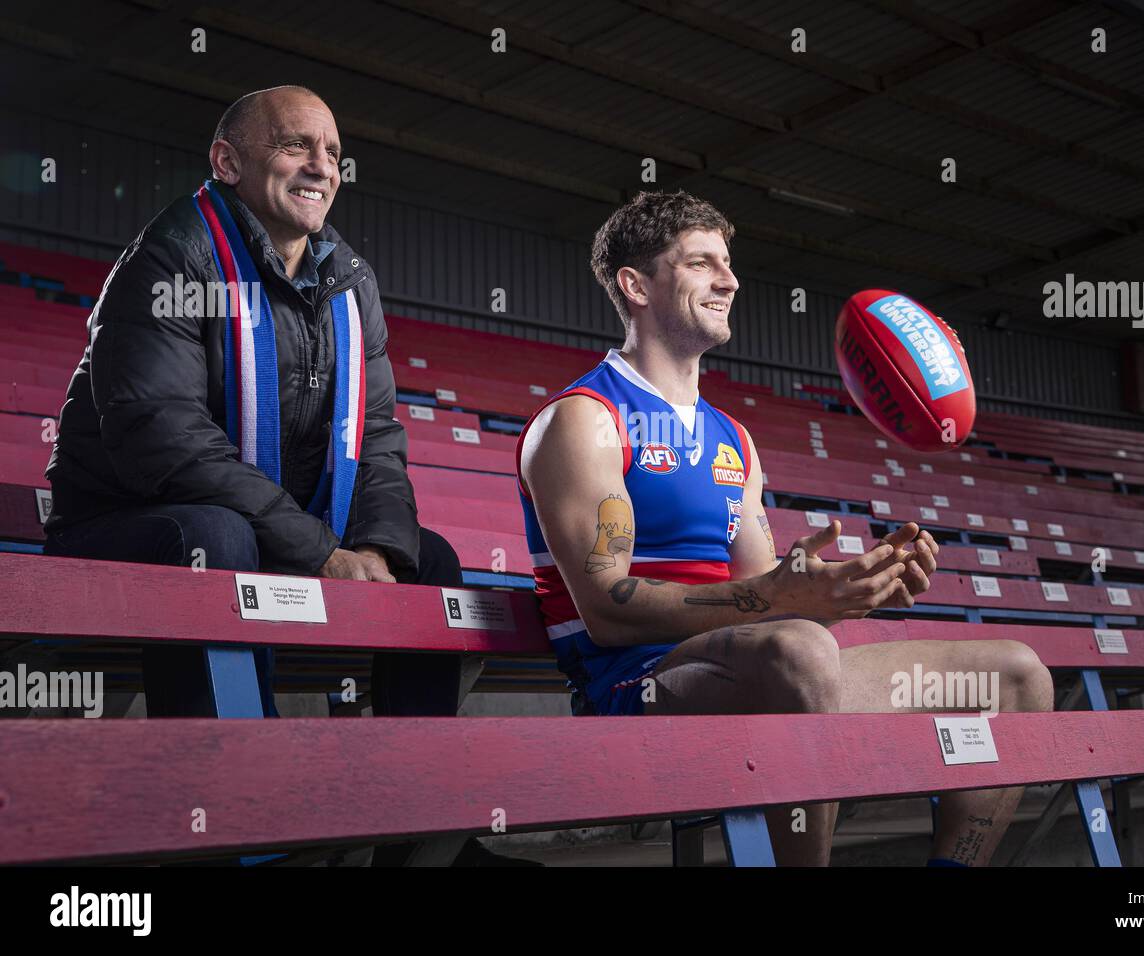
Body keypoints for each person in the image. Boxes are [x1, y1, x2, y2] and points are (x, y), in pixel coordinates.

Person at [42, 85, 530, 865]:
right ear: (228, 161)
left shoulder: (349, 279)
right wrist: (316, 549)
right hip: (128, 521)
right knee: (213, 538)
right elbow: (160, 439)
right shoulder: (172, 255)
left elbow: (375, 433)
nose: (321, 166)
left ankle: (421, 833)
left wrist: (372, 547)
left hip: (270, 521)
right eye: (295, 145)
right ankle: (238, 820)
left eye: (333, 153)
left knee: (425, 560)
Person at [516, 190, 1055, 866]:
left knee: (1016, 677)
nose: (729, 280)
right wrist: (786, 602)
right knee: (799, 650)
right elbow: (607, 612)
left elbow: (768, 597)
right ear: (636, 285)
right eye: (700, 263)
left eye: (729, 263)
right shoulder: (586, 419)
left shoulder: (733, 440)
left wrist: (850, 586)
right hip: (637, 688)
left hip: (757, 669)